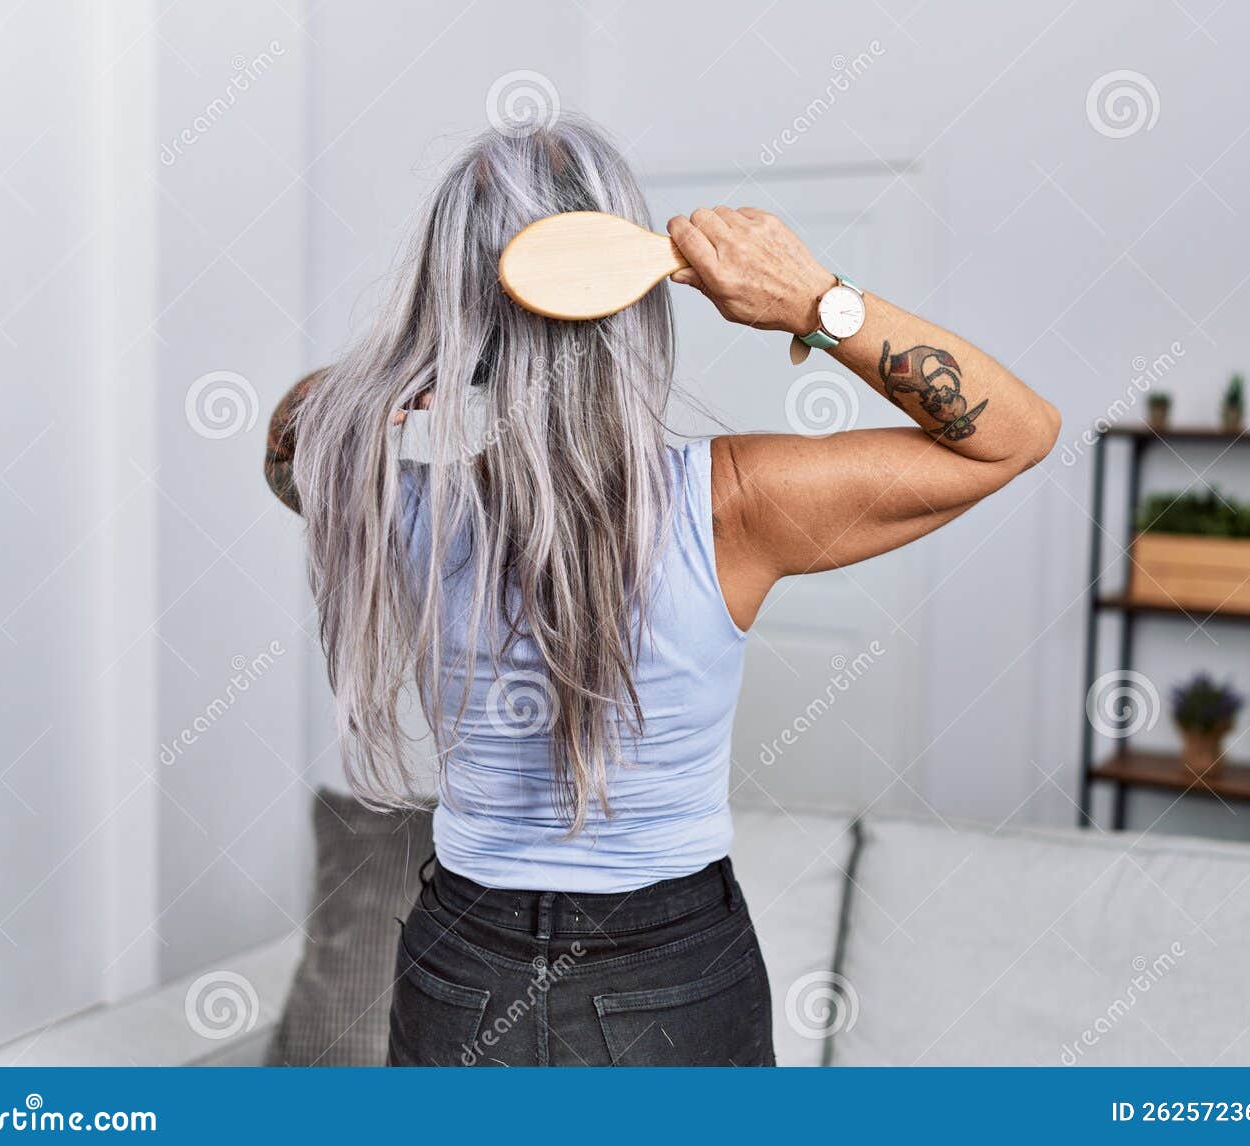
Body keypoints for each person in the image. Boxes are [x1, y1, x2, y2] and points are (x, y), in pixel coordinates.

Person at [263, 113, 1059, 1066]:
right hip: (666, 976)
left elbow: (293, 428)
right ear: (630, 298)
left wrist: (422, 349)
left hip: (457, 966)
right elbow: (1017, 431)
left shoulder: (370, 476)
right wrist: (817, 300)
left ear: (446, 299)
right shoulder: (733, 504)